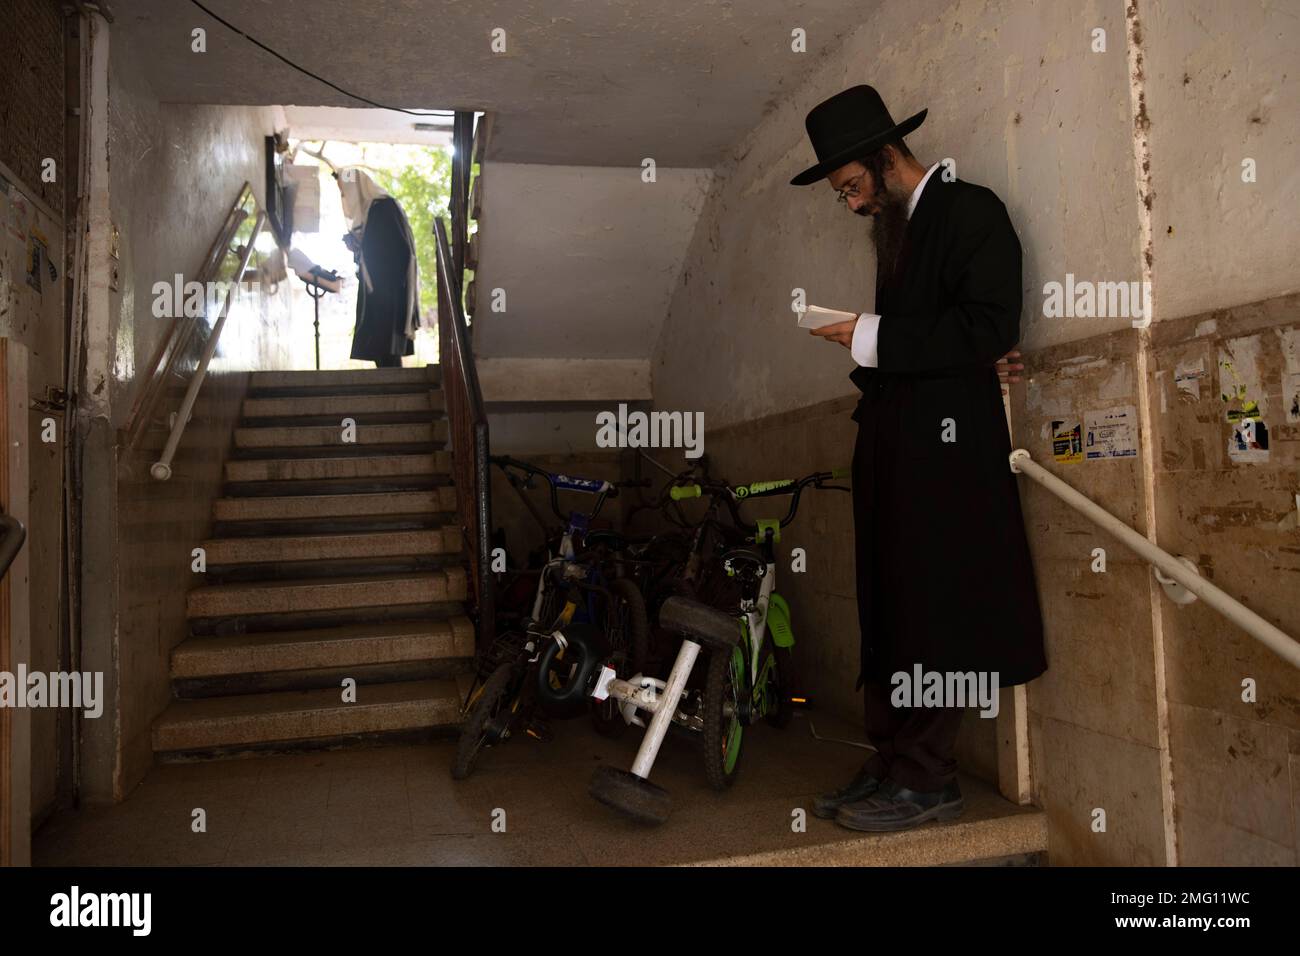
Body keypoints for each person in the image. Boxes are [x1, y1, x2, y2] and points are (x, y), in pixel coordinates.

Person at [789, 85, 1046, 832]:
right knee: (891, 601)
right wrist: (872, 346)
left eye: (851, 187)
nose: (851, 205)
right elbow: (944, 342)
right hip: (897, 446)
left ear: (884, 155)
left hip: (948, 458)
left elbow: (988, 323)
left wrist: (867, 337)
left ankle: (929, 778)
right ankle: (895, 757)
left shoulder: (972, 212)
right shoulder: (900, 231)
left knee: (938, 608)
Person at [336, 167, 420, 367]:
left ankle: (396, 393)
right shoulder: (373, 211)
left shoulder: (384, 207)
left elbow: (401, 250)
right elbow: (372, 252)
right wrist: (358, 248)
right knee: (378, 347)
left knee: (386, 346)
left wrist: (391, 286)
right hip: (378, 289)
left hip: (388, 290)